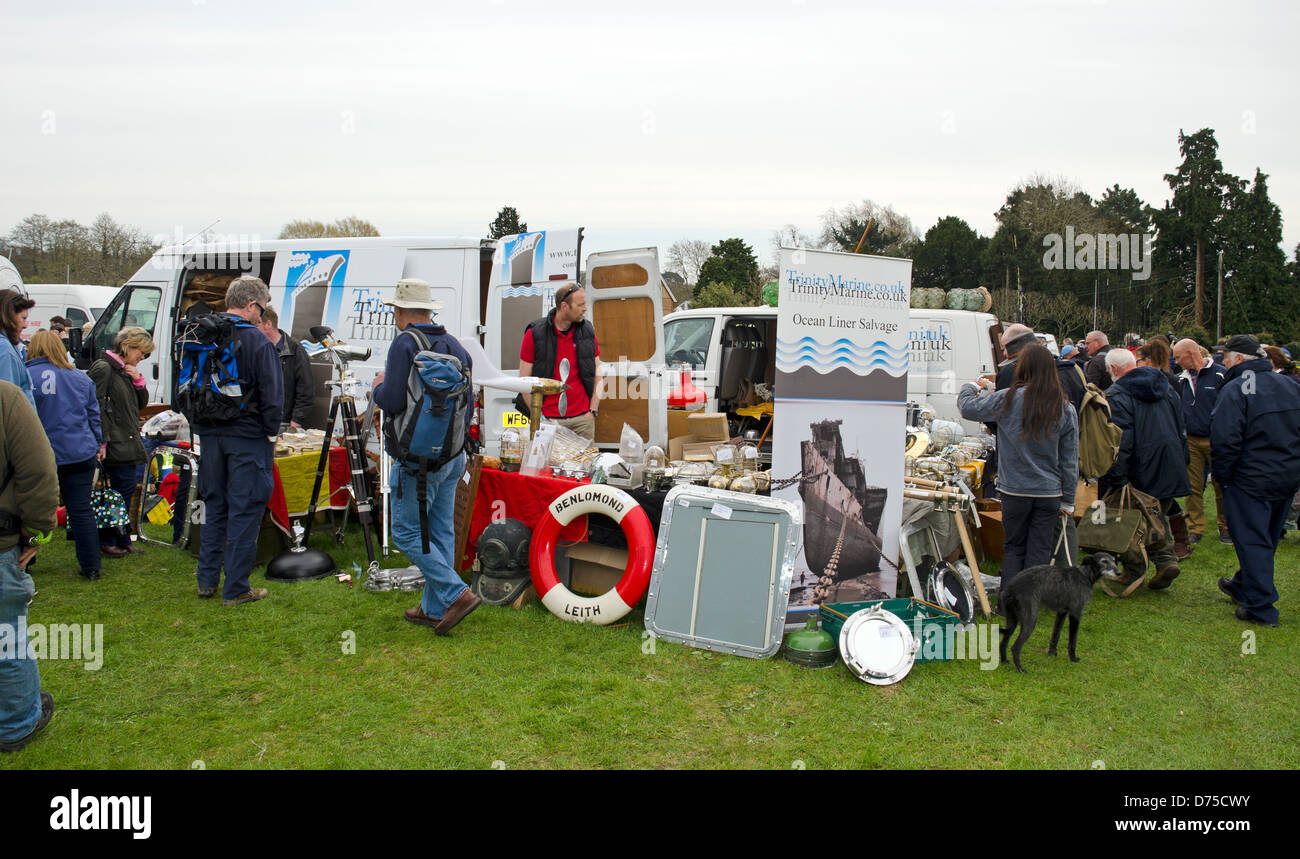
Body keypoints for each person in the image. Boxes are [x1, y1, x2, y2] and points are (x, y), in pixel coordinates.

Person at [371, 278, 480, 634]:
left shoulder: (404, 343)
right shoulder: (455, 345)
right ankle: (433, 608)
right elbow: (469, 402)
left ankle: (455, 594)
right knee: (441, 532)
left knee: (404, 533)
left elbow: (392, 402)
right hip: (452, 457)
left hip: (415, 461)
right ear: (430, 309)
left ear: (400, 311)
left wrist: (377, 387)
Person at [191, 277, 283, 606]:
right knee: (245, 510)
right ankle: (236, 588)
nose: (262, 315)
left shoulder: (200, 334)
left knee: (215, 506)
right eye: (261, 308)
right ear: (250, 305)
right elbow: (273, 395)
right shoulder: (257, 342)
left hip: (208, 434)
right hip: (247, 437)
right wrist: (272, 432)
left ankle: (206, 580)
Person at [959, 344, 1078, 594]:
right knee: (1039, 549)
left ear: (1022, 368)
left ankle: (1009, 601)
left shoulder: (1009, 398)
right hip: (1049, 492)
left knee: (1014, 547)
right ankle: (1030, 601)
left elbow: (968, 407)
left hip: (1015, 490)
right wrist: (1068, 500)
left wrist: (971, 386)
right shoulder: (1064, 407)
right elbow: (1069, 459)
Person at [1211, 335, 1300, 627]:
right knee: (1266, 538)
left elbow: (1225, 441)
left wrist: (1224, 479)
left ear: (1238, 359)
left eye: (1225, 357)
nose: (1222, 362)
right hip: (1285, 477)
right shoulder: (1291, 385)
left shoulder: (1236, 390)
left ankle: (1261, 607)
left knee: (1253, 541)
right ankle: (1242, 585)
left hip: (1251, 480)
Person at [1098, 348, 1189, 590]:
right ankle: (1165, 562)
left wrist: (1117, 476)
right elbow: (1181, 426)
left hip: (1141, 468)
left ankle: (1136, 570)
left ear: (1114, 370)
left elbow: (1121, 440)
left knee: (1131, 523)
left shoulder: (1117, 395)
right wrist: (1184, 459)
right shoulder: (1166, 388)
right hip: (1170, 463)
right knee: (1155, 518)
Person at [0, 379, 59, 752]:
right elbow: (38, 471)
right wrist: (37, 535)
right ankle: (17, 724)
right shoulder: (6, 397)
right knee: (6, 640)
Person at [25, 332, 104, 580]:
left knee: (28, 511)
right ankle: (91, 566)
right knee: (80, 510)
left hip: (37, 454)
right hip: (78, 452)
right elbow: (93, 417)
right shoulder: (80, 378)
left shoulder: (25, 376)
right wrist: (98, 443)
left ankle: (26, 559)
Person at [88, 326, 153, 559]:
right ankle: (109, 539)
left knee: (122, 490)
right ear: (129, 346)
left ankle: (122, 538)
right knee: (117, 491)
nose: (142, 358)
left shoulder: (124, 371)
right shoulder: (104, 368)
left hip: (125, 439)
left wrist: (138, 381)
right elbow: (94, 405)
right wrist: (101, 440)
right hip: (115, 441)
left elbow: (140, 404)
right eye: (141, 352)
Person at [517, 282, 602, 442]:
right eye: (580, 304)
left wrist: (593, 410)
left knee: (583, 467)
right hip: (548, 420)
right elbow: (524, 380)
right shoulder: (534, 334)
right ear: (564, 306)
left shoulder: (588, 330)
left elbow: (599, 373)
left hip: (582, 420)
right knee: (547, 467)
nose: (585, 308)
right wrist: (540, 417)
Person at [1172, 337, 1229, 547]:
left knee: (1221, 484)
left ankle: (1226, 526)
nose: (1176, 362)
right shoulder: (1180, 379)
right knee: (1193, 487)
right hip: (1191, 440)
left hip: (1217, 439)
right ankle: (1195, 528)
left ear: (1190, 353)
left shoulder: (1221, 374)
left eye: (1178, 357)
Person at [995, 324, 1085, 415]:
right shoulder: (1073, 369)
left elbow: (1000, 412)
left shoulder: (1047, 378)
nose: (1004, 353)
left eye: (1006, 347)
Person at [256, 306, 315, 431]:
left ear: (268, 324)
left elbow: (305, 389)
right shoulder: (257, 348)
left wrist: (295, 423)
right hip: (257, 420)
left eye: (257, 325)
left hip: (283, 423)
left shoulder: (295, 349)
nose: (253, 329)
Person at [0, 289, 35, 405]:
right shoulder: (4, 349)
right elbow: (7, 401)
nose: (25, 325)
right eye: (23, 318)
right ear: (8, 316)